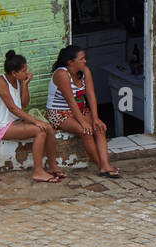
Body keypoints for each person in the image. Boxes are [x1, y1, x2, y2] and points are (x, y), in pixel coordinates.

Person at [0, 51, 66, 183]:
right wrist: (36, 121)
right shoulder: (0, 82)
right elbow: (13, 108)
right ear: (14, 72)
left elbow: (24, 103)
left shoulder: (18, 81)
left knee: (48, 127)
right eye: (24, 70)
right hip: (1, 126)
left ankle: (53, 165)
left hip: (14, 122)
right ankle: (38, 171)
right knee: (39, 130)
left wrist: (25, 84)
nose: (27, 73)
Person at [47, 45, 121, 178]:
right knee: (86, 131)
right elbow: (70, 100)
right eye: (81, 59)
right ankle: (102, 167)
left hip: (80, 110)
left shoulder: (85, 71)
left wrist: (95, 118)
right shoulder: (61, 74)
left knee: (99, 128)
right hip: (59, 113)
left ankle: (105, 165)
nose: (85, 61)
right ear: (70, 62)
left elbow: (91, 94)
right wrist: (82, 122)